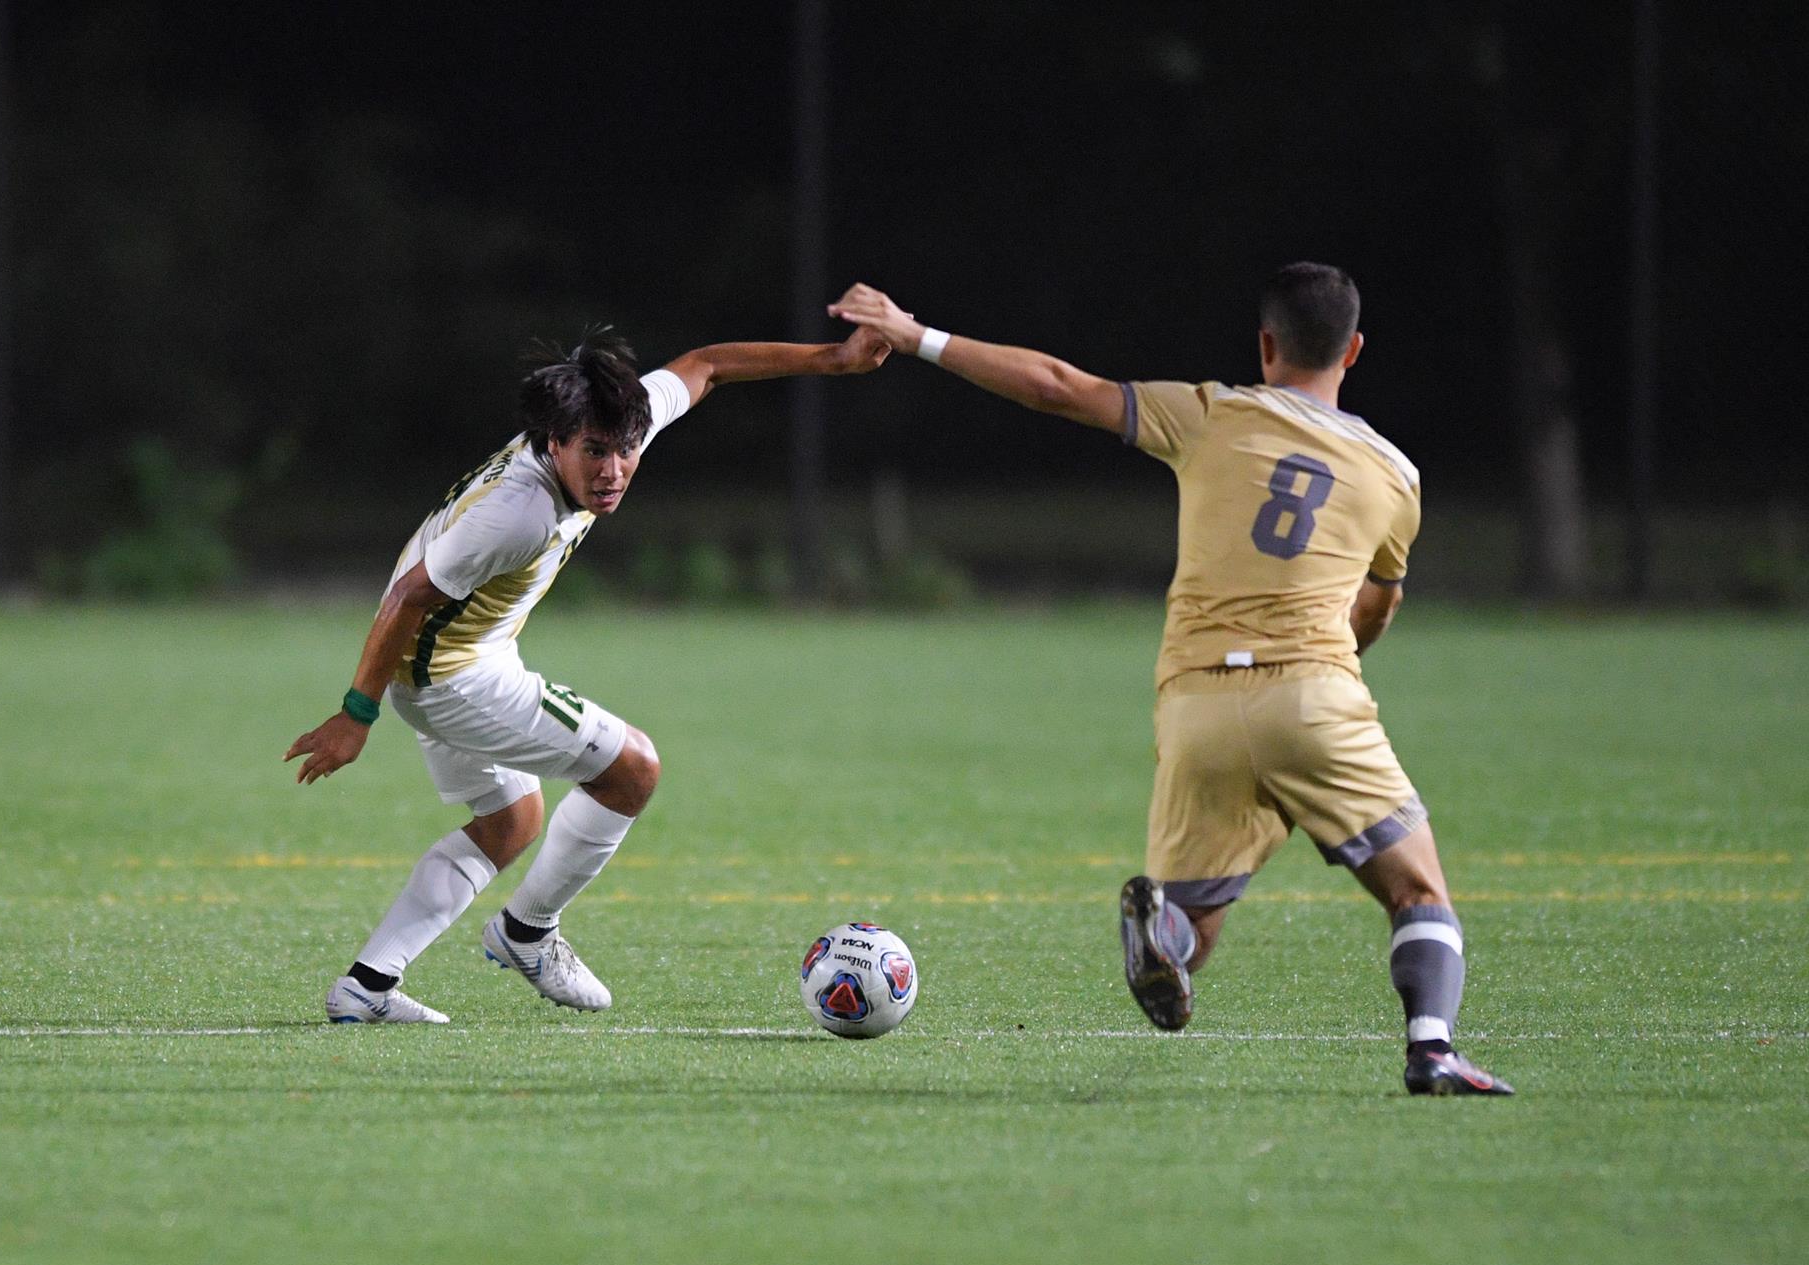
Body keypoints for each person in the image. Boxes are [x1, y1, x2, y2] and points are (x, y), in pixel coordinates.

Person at [828, 266, 1510, 1095]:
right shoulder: (1396, 476)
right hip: (1314, 695)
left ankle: (1168, 933)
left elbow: (1056, 385)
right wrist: (1327, 670)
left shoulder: (1212, 413)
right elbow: (1376, 604)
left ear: (1265, 345)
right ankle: (1432, 1047)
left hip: (1197, 704)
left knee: (1194, 934)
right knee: (1417, 888)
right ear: (1354, 350)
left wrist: (915, 334)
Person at [285, 323, 890, 1024]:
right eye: (595, 453)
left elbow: (710, 365)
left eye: (625, 450)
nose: (613, 470)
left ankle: (366, 986)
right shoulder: (521, 511)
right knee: (632, 768)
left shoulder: (615, 419)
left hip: (465, 656)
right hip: (449, 677)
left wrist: (835, 358)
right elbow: (406, 596)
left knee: (513, 819)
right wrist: (355, 716)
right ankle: (527, 932)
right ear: (554, 442)